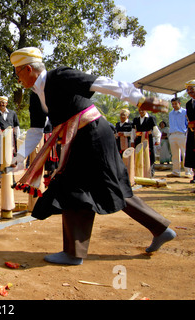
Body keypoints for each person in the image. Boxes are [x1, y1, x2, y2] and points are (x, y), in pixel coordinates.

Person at [9, 47, 176, 265]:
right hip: (76, 139)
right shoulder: (35, 98)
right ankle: (160, 228)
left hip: (93, 133)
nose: (18, 79)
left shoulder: (59, 76)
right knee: (106, 184)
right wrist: (19, 157)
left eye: (17, 73)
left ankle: (73, 253)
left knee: (73, 188)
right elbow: (35, 130)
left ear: (28, 69)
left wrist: (139, 100)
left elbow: (100, 82)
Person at [0, 96, 21, 169]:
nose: (1, 104)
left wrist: (18, 139)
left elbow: (17, 127)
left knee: (11, 158)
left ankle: (11, 179)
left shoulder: (12, 113)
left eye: (3, 103)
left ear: (6, 103)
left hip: (11, 140)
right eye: (0, 103)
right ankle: (2, 179)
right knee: (1, 158)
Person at [166, 97, 191, 177]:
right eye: (172, 104)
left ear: (179, 103)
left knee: (185, 153)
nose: (174, 105)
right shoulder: (170, 113)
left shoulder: (185, 112)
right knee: (175, 154)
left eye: (175, 104)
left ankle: (188, 172)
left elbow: (188, 122)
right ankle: (176, 171)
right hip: (172, 134)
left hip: (182, 134)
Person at [132, 109, 161, 177]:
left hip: (148, 139)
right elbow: (133, 131)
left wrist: (157, 139)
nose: (141, 111)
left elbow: (155, 130)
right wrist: (132, 141)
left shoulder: (151, 118)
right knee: (138, 155)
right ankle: (140, 173)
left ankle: (150, 172)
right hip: (138, 140)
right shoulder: (136, 119)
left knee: (149, 155)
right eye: (140, 110)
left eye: (143, 110)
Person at [185, 80, 195, 184]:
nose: (189, 91)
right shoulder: (188, 104)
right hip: (192, 132)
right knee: (192, 154)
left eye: (191, 89)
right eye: (188, 90)